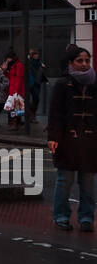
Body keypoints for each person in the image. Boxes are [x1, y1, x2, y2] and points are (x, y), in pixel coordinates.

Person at [47, 44, 97, 232]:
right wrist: (53, 137)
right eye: (80, 61)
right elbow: (55, 113)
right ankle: (61, 216)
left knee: (88, 184)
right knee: (64, 181)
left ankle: (86, 218)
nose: (84, 64)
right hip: (68, 140)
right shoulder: (63, 84)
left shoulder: (95, 83)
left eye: (87, 60)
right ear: (71, 63)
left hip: (91, 141)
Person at [6, 54, 25, 128]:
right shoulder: (14, 65)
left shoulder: (18, 65)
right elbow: (11, 77)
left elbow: (19, 78)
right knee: (15, 108)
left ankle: (15, 124)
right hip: (13, 89)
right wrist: (5, 71)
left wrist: (16, 91)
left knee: (15, 108)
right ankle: (16, 123)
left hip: (16, 90)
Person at [28, 48, 46, 121]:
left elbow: (41, 73)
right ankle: (31, 114)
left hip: (37, 83)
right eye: (35, 55)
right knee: (30, 99)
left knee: (36, 99)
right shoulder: (30, 63)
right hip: (31, 83)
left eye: (37, 54)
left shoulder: (40, 63)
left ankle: (33, 114)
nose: (36, 56)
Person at [0, 58, 11, 126]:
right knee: (0, 107)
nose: (6, 65)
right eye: (5, 64)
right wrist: (3, 86)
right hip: (1, 92)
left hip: (8, 91)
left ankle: (10, 121)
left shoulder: (9, 71)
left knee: (9, 107)